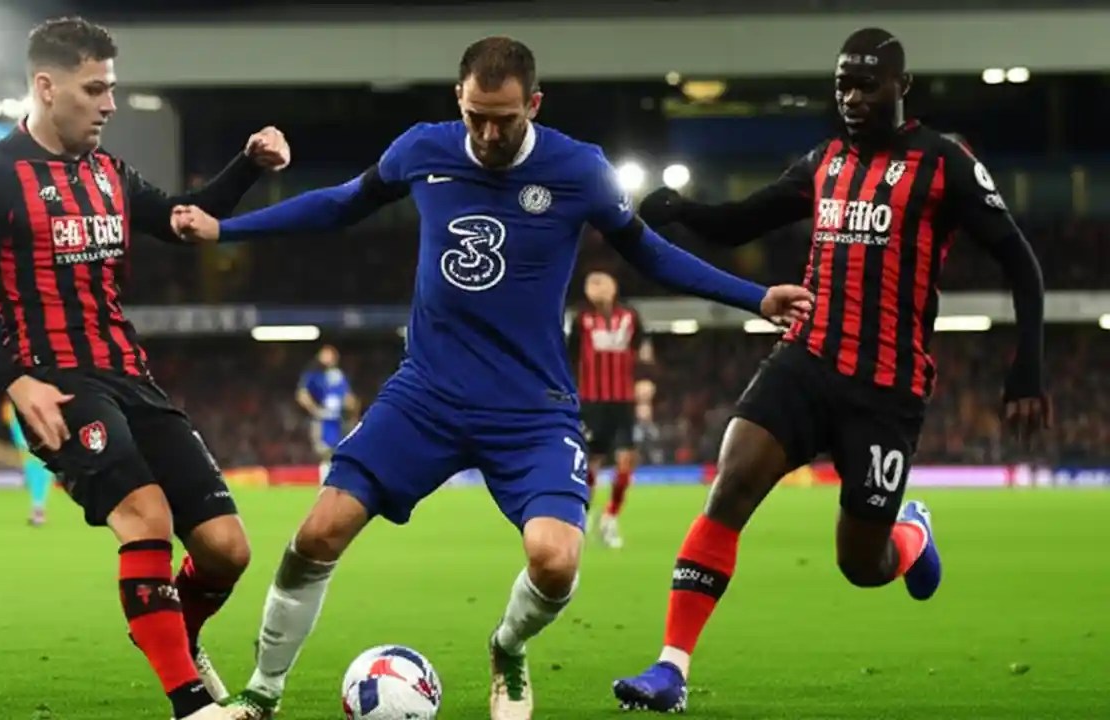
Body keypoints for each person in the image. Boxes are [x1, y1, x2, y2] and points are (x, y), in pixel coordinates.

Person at [172, 36, 812, 720]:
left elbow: (651, 256)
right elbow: (337, 205)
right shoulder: (423, 148)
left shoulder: (579, 170)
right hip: (425, 396)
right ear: (460, 99)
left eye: (504, 118)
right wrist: (226, 229)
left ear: (532, 105)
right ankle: (263, 694)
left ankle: (507, 648)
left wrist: (754, 297)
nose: (488, 131)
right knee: (316, 535)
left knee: (556, 560)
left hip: (532, 408)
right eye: (476, 114)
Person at [612, 27, 1051, 713]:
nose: (851, 96)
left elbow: (1020, 261)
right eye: (842, 82)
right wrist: (679, 213)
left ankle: (911, 534)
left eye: (866, 83)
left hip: (886, 390)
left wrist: (1028, 367)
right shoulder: (824, 162)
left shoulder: (944, 163)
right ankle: (670, 668)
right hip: (806, 359)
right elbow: (741, 222)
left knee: (861, 565)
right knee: (730, 488)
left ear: (901, 87)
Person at [0, 16, 291, 720]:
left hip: (130, 376)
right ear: (46, 86)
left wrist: (247, 165)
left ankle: (173, 632)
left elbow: (188, 218)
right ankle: (192, 705)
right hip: (58, 386)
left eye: (112, 89)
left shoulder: (109, 175)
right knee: (144, 516)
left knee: (226, 551)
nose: (109, 104)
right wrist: (15, 378)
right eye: (95, 89)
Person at [567, 270, 651, 549]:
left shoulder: (631, 317)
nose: (597, 288)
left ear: (614, 286)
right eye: (591, 283)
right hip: (592, 402)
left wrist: (645, 383)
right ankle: (582, 515)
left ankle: (611, 517)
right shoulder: (581, 319)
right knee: (591, 464)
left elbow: (642, 352)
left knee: (627, 460)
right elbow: (571, 356)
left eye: (602, 281)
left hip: (623, 402)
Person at [295, 344, 358, 483]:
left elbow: (348, 396)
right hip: (323, 419)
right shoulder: (313, 375)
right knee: (324, 451)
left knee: (339, 451)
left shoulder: (339, 375)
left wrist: (352, 408)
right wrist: (315, 410)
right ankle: (326, 481)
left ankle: (336, 481)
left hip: (339, 419)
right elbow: (302, 394)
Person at [4, 398, 53, 526]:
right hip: (33, 446)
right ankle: (38, 509)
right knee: (37, 477)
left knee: (39, 477)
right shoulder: (18, 408)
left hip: (38, 446)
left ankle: (38, 510)